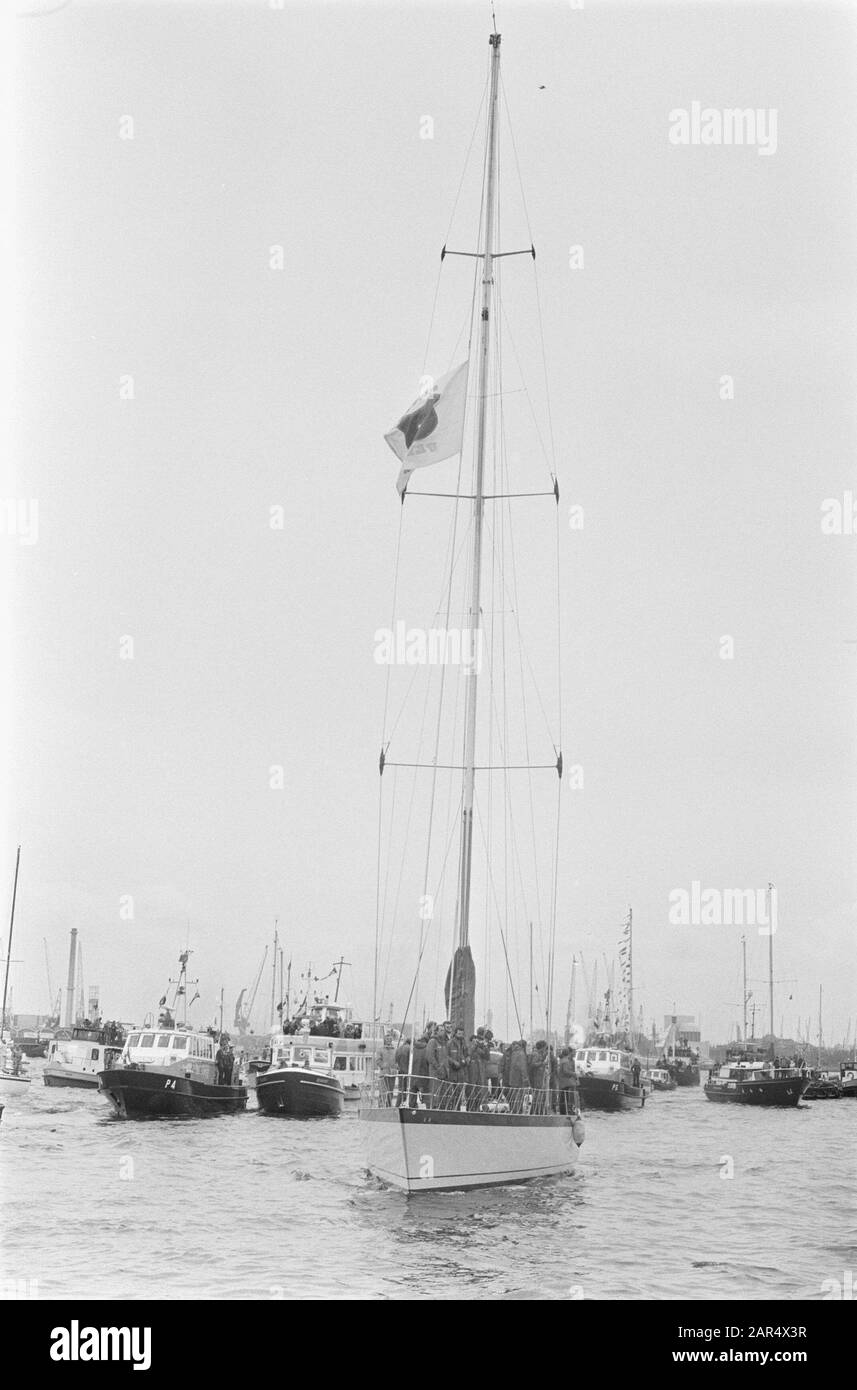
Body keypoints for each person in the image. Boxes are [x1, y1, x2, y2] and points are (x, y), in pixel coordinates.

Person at [426, 1023, 450, 1109]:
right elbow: (430, 1057)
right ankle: (433, 1108)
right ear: (436, 1032)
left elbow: (446, 1057)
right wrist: (438, 1067)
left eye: (443, 1030)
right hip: (435, 1072)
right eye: (441, 1030)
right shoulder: (433, 1042)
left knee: (443, 1094)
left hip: (444, 1073)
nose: (443, 1032)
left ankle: (441, 1108)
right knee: (435, 1092)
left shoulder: (444, 1043)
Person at [508, 1040, 530, 1111]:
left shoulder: (514, 1052)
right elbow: (523, 1067)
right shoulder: (521, 1054)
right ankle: (518, 1110)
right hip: (519, 1079)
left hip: (513, 1077)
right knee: (519, 1096)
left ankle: (514, 1109)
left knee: (514, 1095)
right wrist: (525, 1078)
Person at [529, 1040, 549, 1112]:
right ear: (542, 1047)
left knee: (538, 1094)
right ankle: (535, 1110)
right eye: (545, 1047)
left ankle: (536, 1109)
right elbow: (533, 1064)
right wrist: (543, 1063)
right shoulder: (536, 1054)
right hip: (536, 1077)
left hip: (539, 1077)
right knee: (537, 1094)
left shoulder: (538, 1054)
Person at [556, 1046, 577, 1114]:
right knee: (564, 1096)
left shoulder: (562, 1060)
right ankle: (564, 1111)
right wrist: (573, 1074)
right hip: (565, 1081)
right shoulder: (565, 1061)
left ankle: (564, 1109)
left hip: (562, 1081)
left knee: (563, 1095)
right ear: (568, 1054)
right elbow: (565, 1071)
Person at [395, 1035, 412, 1106]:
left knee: (401, 1090)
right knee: (408, 1090)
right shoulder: (410, 1048)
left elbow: (396, 1061)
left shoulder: (398, 1048)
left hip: (400, 1072)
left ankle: (398, 1105)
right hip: (407, 1072)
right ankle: (406, 1103)